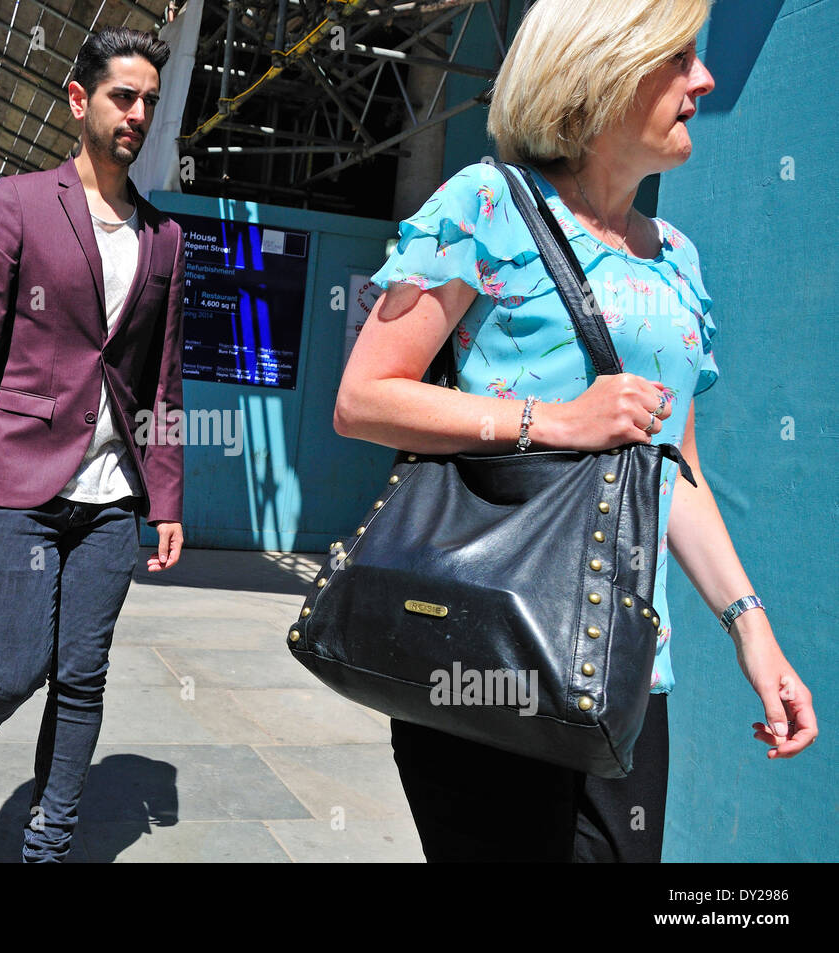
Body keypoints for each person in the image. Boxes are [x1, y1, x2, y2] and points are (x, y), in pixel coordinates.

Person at [333, 0, 816, 862]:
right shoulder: (487, 206)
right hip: (486, 650)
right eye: (678, 61)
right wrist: (556, 421)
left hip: (624, 672)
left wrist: (754, 630)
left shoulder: (679, 259)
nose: (703, 81)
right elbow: (365, 397)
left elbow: (678, 473)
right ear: (602, 68)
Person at [0, 26, 185, 862]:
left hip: (112, 498)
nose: (138, 113)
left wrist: (167, 495)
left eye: (148, 99)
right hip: (19, 485)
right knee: (14, 667)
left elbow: (163, 381)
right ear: (80, 100)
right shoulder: (20, 204)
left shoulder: (165, 238)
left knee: (82, 676)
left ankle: (49, 840)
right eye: (122, 96)